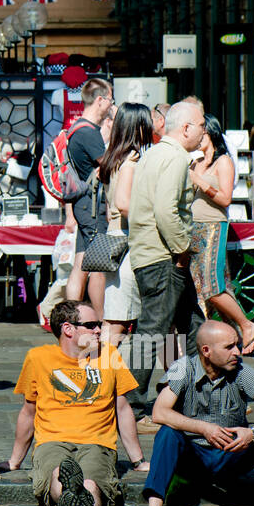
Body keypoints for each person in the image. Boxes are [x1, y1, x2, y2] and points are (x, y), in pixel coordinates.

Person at [133, 320, 254, 506]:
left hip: (231, 455)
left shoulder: (242, 372)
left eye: (237, 345)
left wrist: (253, 432)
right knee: (167, 433)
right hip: (192, 458)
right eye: (229, 347)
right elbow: (159, 412)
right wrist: (203, 428)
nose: (237, 352)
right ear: (206, 350)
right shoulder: (182, 368)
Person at [14, 299, 146, 506]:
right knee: (58, 474)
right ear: (68, 329)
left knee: (91, 484)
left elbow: (122, 409)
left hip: (97, 444)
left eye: (99, 324)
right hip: (52, 442)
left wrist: (138, 460)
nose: (99, 330)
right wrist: (14, 461)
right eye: (91, 325)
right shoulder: (38, 358)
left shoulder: (109, 355)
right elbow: (28, 412)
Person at [126, 100, 205, 414]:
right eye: (200, 125)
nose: (204, 131)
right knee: (153, 330)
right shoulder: (173, 157)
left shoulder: (156, 152)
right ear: (185, 128)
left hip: (154, 255)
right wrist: (182, 249)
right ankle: (129, 403)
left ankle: (204, 392)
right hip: (164, 257)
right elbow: (165, 211)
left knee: (193, 326)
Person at [189, 115, 254, 353]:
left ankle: (246, 324)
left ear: (210, 133)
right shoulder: (197, 161)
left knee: (212, 286)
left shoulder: (223, 162)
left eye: (200, 133)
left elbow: (225, 199)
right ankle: (229, 340)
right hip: (193, 227)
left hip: (212, 226)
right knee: (201, 289)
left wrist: (199, 181)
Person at [99, 102, 151, 351]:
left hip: (114, 237)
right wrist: (152, 220)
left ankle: (101, 375)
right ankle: (99, 376)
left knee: (116, 314)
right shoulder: (132, 159)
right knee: (118, 319)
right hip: (128, 240)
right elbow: (123, 203)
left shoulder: (113, 156)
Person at [65, 78, 116, 316]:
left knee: (80, 262)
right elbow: (109, 166)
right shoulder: (88, 133)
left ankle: (72, 316)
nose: (112, 105)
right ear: (100, 100)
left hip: (82, 203)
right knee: (98, 266)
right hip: (93, 205)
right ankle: (100, 317)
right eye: (110, 99)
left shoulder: (78, 128)